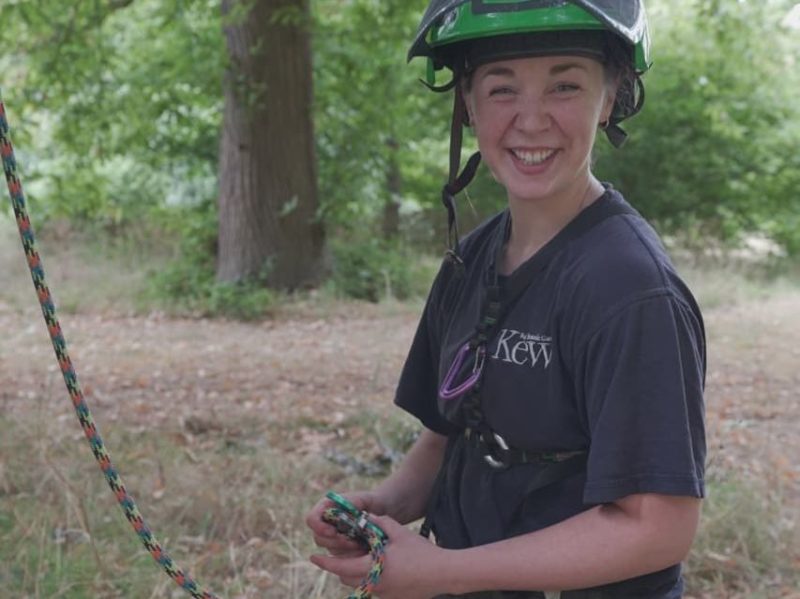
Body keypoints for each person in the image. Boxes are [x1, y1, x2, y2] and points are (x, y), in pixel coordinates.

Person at [306, 1, 706, 598]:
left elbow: (659, 528)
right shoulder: (472, 258)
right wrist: (386, 505)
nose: (531, 119)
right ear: (467, 102)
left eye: (565, 85)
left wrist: (441, 572)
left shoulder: (630, 291)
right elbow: (452, 431)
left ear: (610, 96)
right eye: (501, 89)